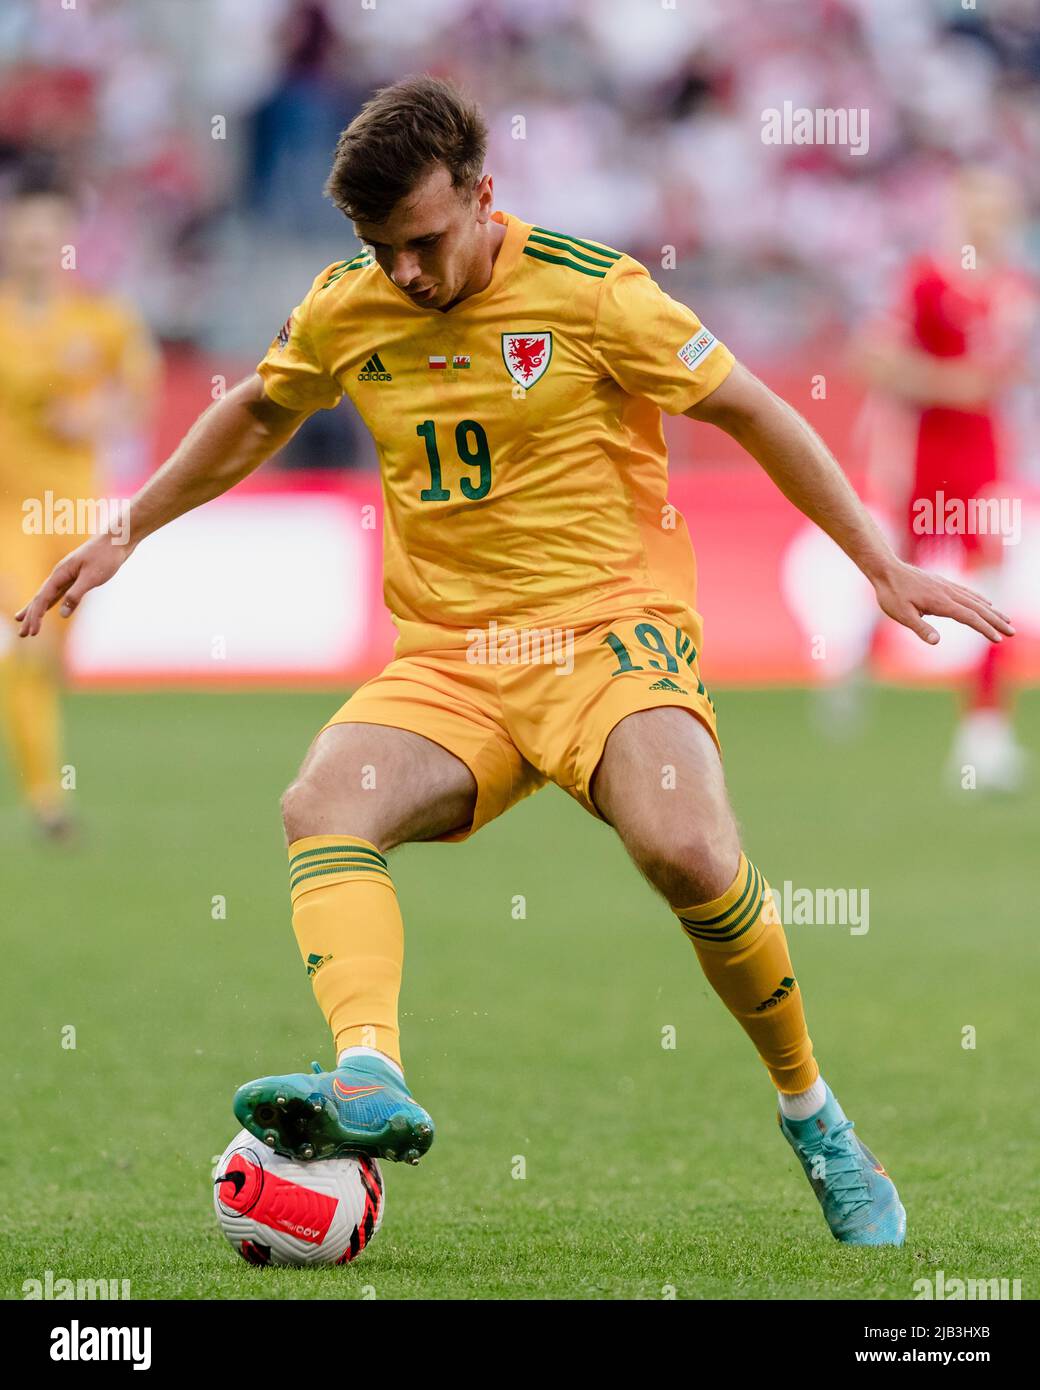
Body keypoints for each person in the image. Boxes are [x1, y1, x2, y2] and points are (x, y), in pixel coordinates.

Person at [16, 78, 1015, 1245]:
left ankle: (816, 1117)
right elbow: (253, 411)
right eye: (378, 249)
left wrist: (875, 563)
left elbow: (750, 411)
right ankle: (368, 1071)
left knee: (686, 850)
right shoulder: (347, 304)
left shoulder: (600, 296)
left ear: (485, 197)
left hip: (611, 635)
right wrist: (129, 527)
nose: (404, 273)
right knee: (320, 802)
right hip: (453, 657)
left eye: (425, 242)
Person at [858, 166, 1034, 790]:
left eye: (1002, 208)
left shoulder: (1016, 289)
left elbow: (1012, 374)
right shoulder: (925, 280)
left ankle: (984, 730)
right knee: (899, 570)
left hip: (985, 460)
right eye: (983, 207)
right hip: (926, 458)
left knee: (992, 588)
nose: (994, 220)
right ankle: (858, 660)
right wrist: (946, 385)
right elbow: (875, 359)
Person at [0, 173, 157, 838]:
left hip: (71, 517)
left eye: (48, 236)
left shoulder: (102, 318)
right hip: (6, 512)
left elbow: (135, 398)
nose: (37, 248)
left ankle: (43, 775)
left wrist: (91, 415)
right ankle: (46, 802)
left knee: (55, 654)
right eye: (26, 236)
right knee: (25, 645)